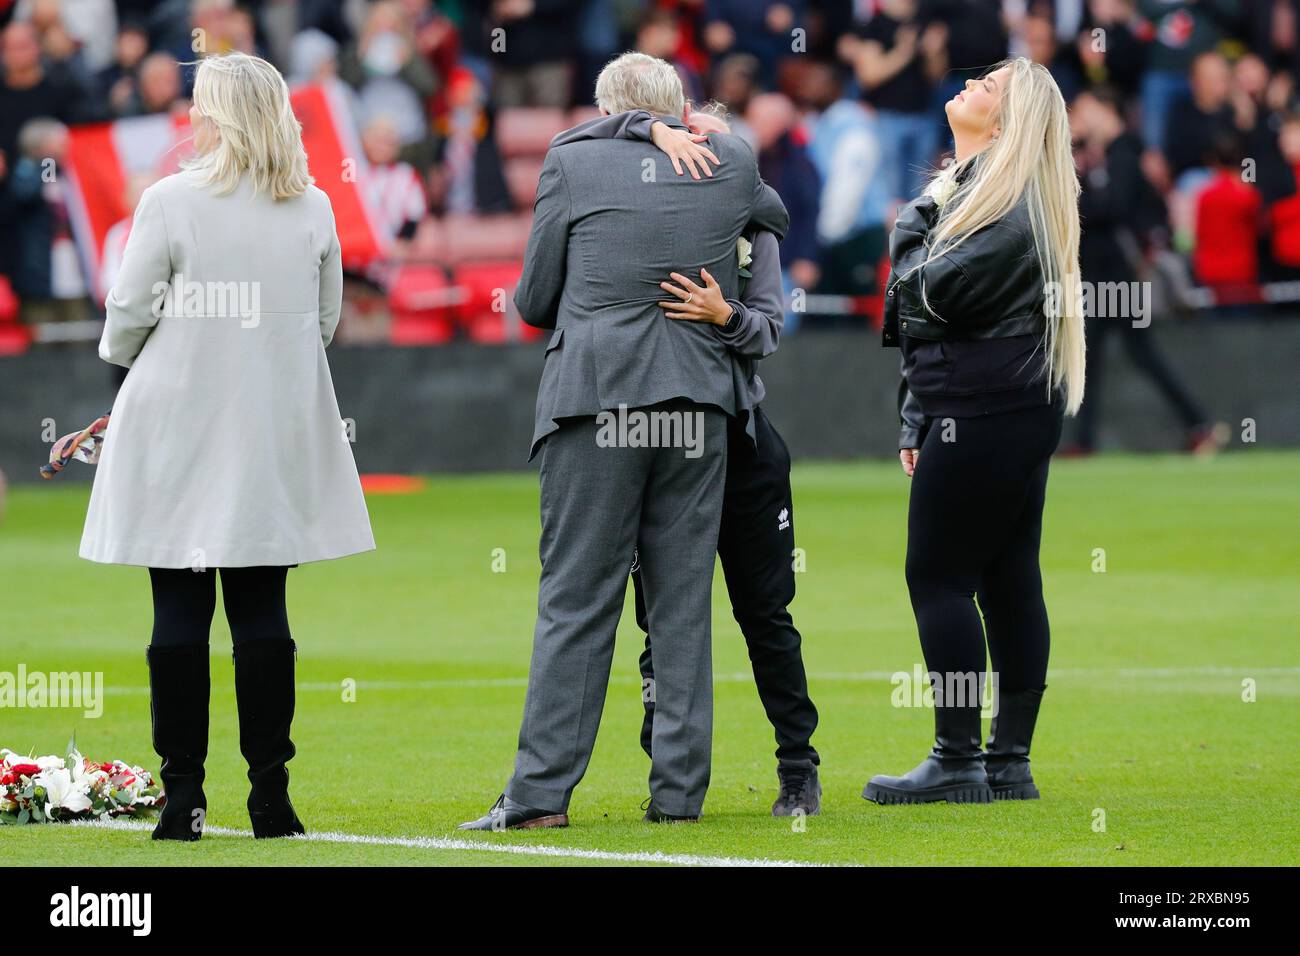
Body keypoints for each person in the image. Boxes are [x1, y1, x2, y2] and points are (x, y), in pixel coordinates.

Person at [459, 52, 788, 830]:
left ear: (606, 106)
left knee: (576, 600)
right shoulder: (731, 160)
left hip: (598, 403)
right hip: (696, 407)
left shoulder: (572, 157)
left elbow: (536, 300)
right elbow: (770, 215)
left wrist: (633, 133)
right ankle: (678, 797)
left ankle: (539, 798)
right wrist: (672, 131)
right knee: (681, 604)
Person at [79, 53, 375, 840]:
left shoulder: (172, 199)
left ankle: (183, 799)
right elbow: (324, 318)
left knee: (177, 609)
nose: (193, 118)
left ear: (216, 114)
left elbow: (126, 317)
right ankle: (271, 796)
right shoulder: (309, 202)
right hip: (267, 427)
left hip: (176, 422)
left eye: (201, 106)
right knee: (262, 611)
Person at [546, 103, 822, 817]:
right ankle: (663, 757)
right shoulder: (650, 199)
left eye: (709, 131)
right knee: (657, 607)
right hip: (676, 432)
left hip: (740, 438)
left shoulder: (749, 218)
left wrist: (724, 316)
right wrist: (646, 125)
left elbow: (767, 329)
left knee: (763, 611)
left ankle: (798, 763)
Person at [866, 57, 1085, 805]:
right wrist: (917, 410)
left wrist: (910, 226)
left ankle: (959, 758)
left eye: (987, 86)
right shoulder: (988, 191)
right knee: (1008, 575)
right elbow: (934, 322)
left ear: (1005, 120)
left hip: (983, 404)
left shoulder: (1004, 202)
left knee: (939, 576)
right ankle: (1006, 762)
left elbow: (929, 297)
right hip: (989, 401)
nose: (969, 85)